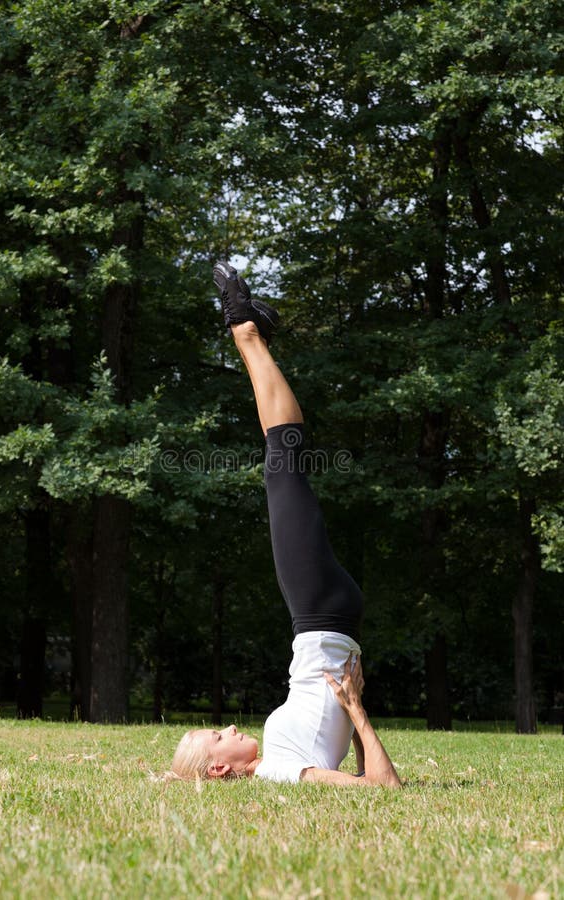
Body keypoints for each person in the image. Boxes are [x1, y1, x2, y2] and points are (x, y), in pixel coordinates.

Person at [170, 262, 401, 788]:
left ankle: (253, 331)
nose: (227, 725)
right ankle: (244, 328)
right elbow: (380, 790)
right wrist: (358, 711)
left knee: (284, 463)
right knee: (283, 466)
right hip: (320, 617)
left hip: (326, 620)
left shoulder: (276, 757)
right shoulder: (277, 771)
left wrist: (356, 711)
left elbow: (363, 768)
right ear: (219, 766)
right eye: (217, 735)